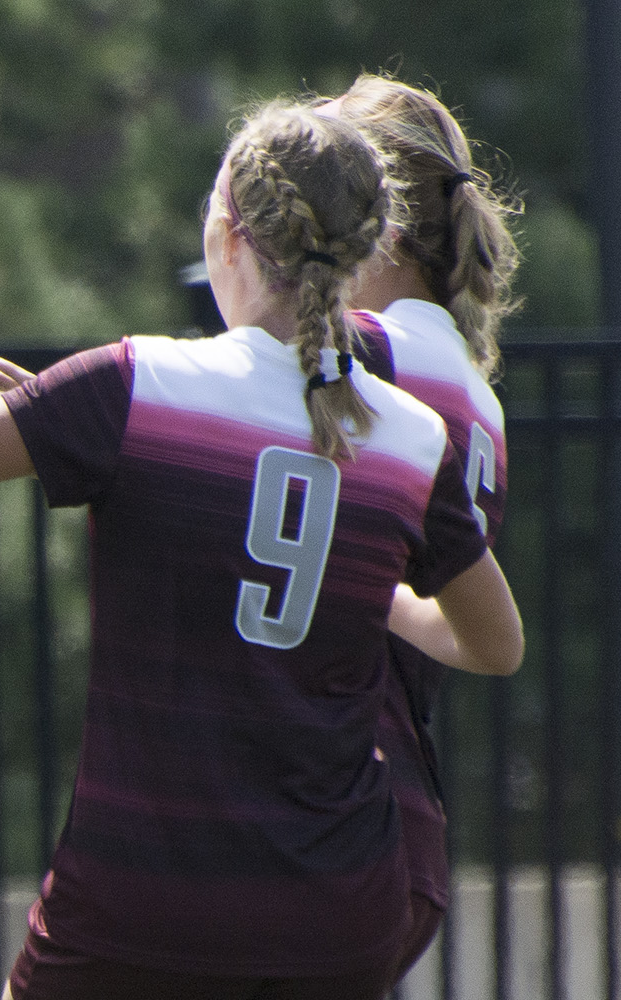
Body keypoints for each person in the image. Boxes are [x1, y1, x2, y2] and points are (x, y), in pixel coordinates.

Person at [0, 101, 522, 999]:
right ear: (364, 248)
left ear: (228, 236)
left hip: (143, 893)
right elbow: (494, 645)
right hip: (333, 907)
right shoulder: (415, 438)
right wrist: (374, 590)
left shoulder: (140, 379)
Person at [315, 71, 523, 987]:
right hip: (406, 819)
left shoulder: (365, 351)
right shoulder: (482, 398)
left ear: (384, 230)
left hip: (328, 800)